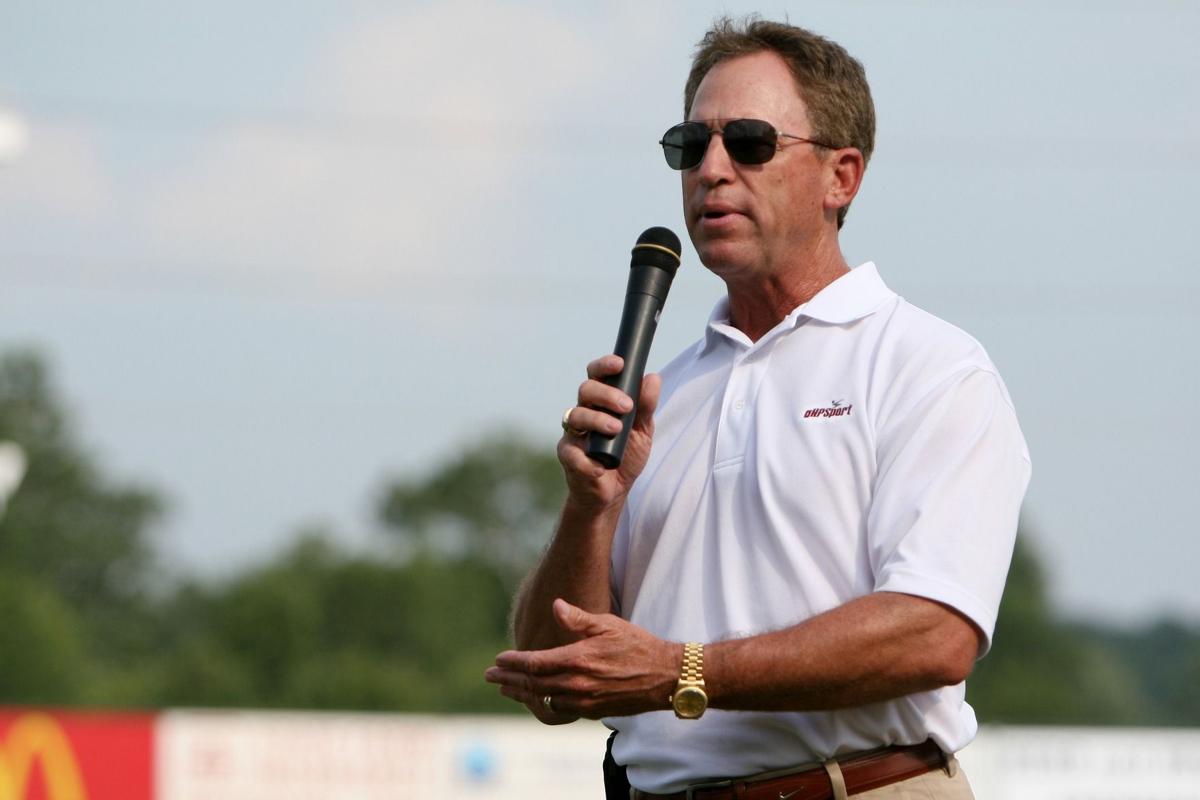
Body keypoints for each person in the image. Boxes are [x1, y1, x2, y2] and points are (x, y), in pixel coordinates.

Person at [486, 16, 1030, 800]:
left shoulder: (929, 367)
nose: (711, 170)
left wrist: (682, 672)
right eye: (690, 145)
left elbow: (934, 633)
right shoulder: (660, 390)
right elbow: (553, 674)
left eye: (748, 142)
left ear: (841, 176)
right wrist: (588, 506)